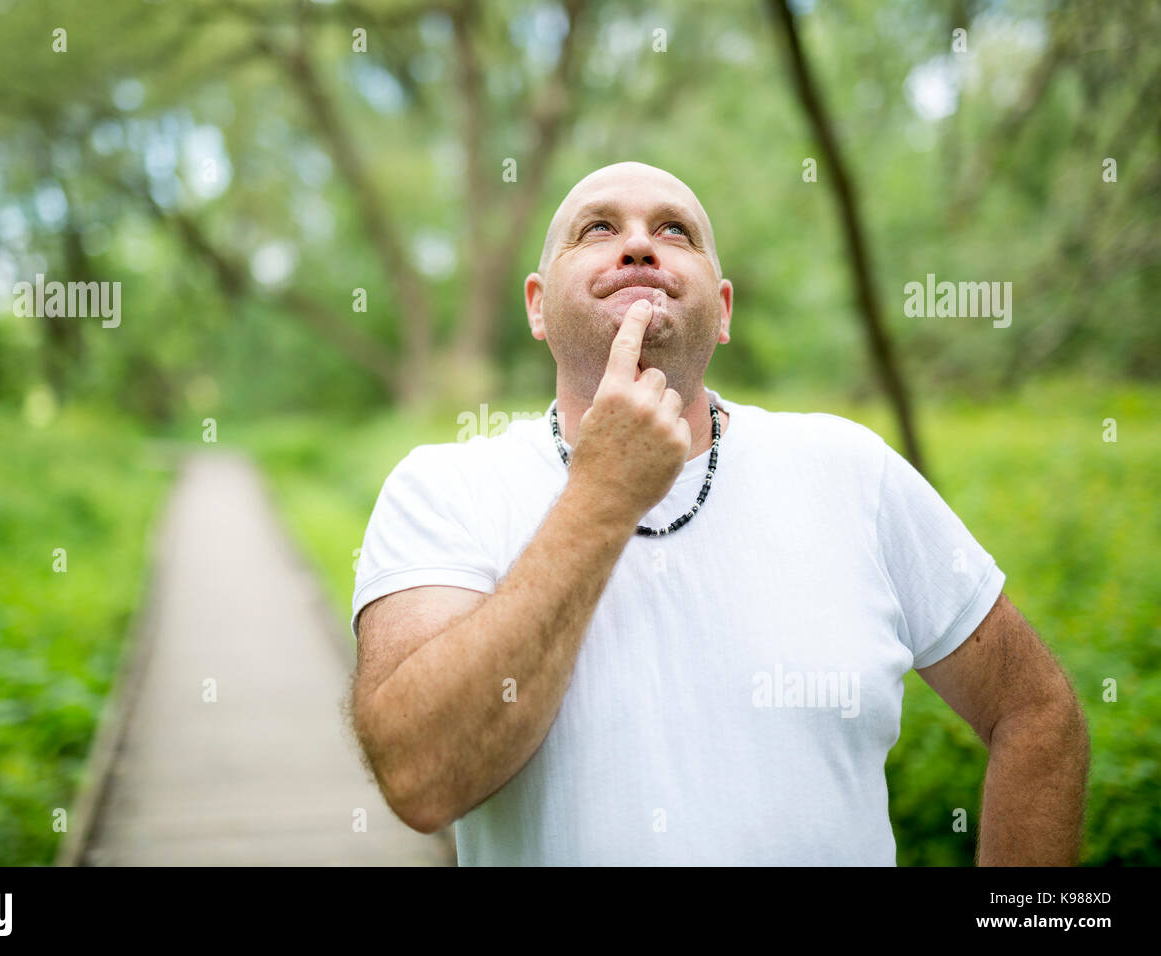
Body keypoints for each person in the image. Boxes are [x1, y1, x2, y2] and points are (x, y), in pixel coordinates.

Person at [348, 161, 1089, 865]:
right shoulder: (443, 487)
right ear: (538, 307)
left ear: (724, 310)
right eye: (598, 229)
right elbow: (420, 779)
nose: (640, 243)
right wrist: (602, 494)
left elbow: (1037, 715)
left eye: (675, 231)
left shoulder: (853, 471)